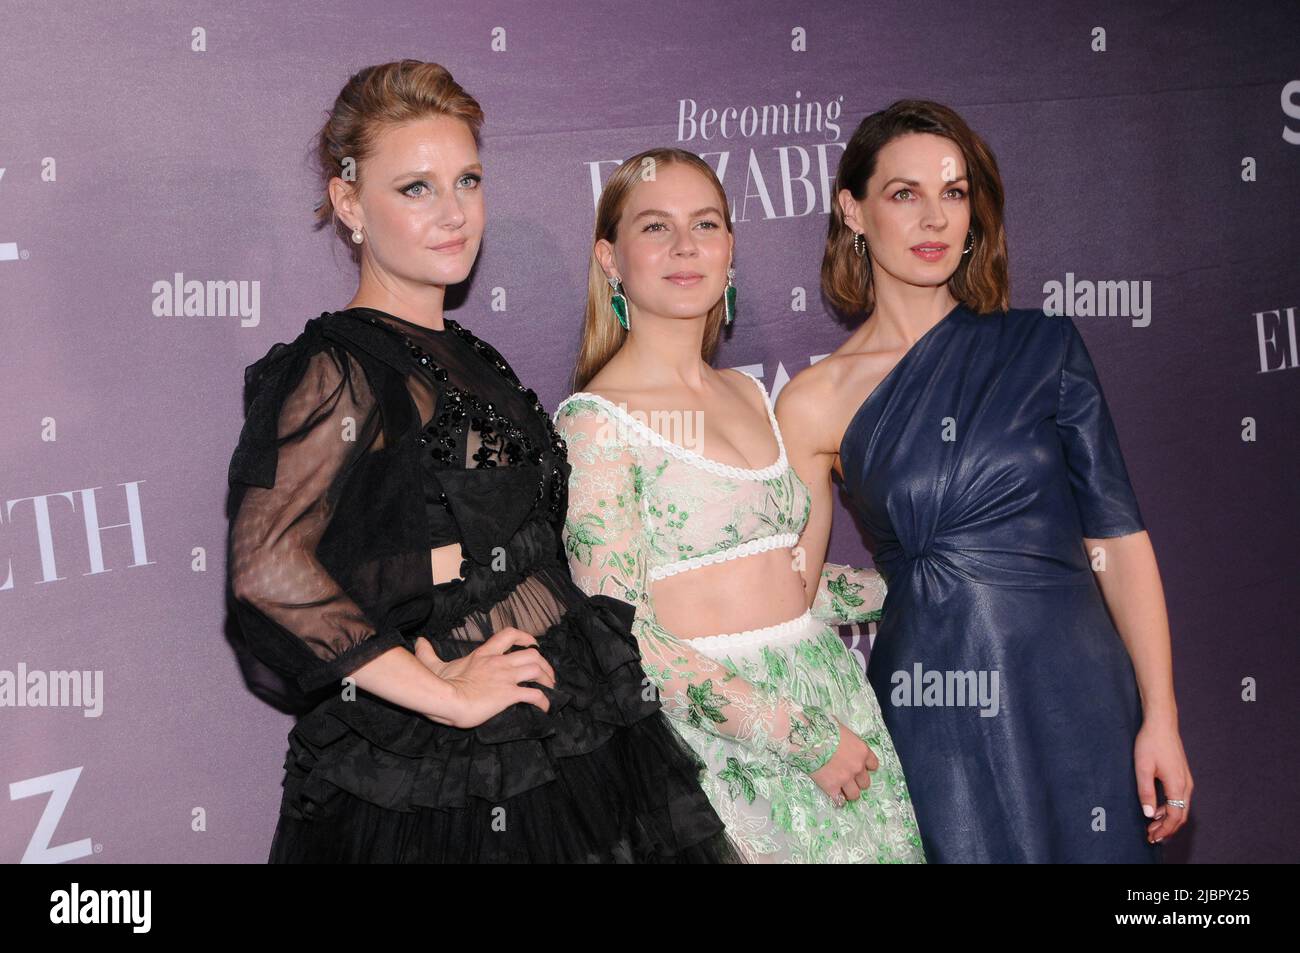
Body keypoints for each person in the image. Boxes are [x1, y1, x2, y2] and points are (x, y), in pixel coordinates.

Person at [225, 61, 740, 863]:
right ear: (350, 203)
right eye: (416, 189)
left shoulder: (464, 350)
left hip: (570, 718)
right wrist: (443, 693)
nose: (454, 212)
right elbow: (266, 570)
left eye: (466, 179)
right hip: (453, 773)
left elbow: (427, 535)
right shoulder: (338, 364)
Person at [778, 99, 1192, 862]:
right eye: (905, 193)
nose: (935, 218)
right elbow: (789, 597)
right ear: (853, 211)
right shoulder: (814, 399)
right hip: (936, 711)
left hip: (1079, 695)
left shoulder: (1043, 348)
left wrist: (1160, 715)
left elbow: (1120, 540)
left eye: (955, 192)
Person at [553, 148, 925, 863]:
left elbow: (785, 585)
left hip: (833, 701)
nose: (686, 246)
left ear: (730, 249)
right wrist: (800, 735)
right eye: (656, 228)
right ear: (610, 257)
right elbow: (623, 635)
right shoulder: (596, 421)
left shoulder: (751, 395)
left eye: (707, 223)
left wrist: (917, 588)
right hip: (719, 749)